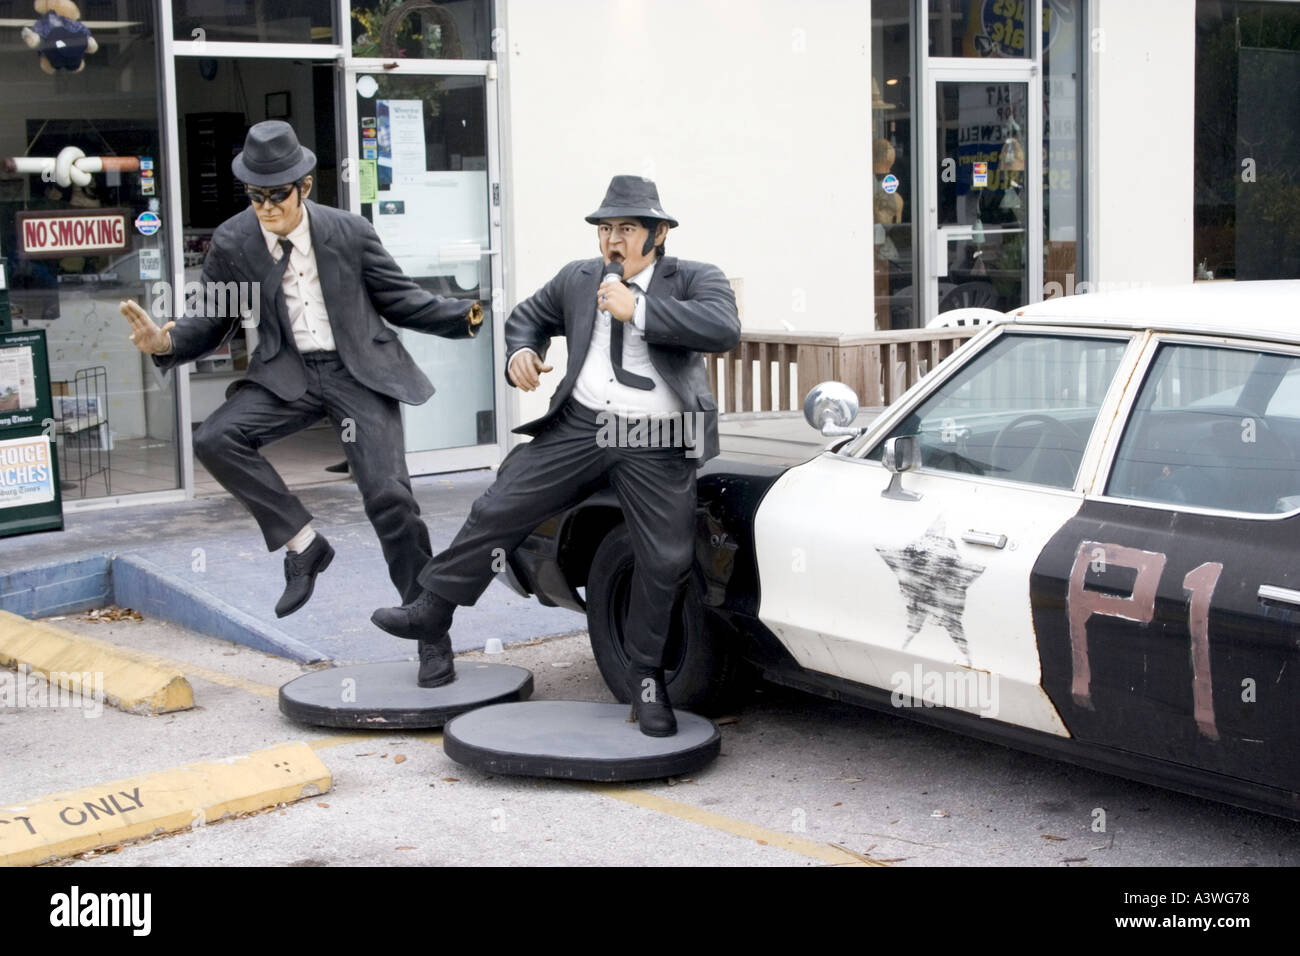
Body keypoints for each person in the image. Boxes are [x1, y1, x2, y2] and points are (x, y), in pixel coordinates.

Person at [371, 175, 740, 735]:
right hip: (584, 425)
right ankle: (435, 604)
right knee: (501, 504)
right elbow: (528, 316)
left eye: (627, 229)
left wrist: (638, 310)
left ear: (658, 233)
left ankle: (645, 679)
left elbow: (722, 328)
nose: (613, 241)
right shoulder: (579, 277)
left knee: (665, 560)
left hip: (657, 437)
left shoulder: (694, 278)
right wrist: (523, 350)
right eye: (606, 229)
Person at [120, 120, 482, 686]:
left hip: (356, 373)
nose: (266, 207)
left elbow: (399, 298)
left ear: (305, 187)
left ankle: (431, 634)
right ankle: (304, 544)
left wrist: (463, 315)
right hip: (288, 375)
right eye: (255, 195)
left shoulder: (348, 232)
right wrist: (165, 342)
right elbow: (211, 320)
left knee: (390, 498)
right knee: (216, 437)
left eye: (277, 195)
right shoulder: (235, 241)